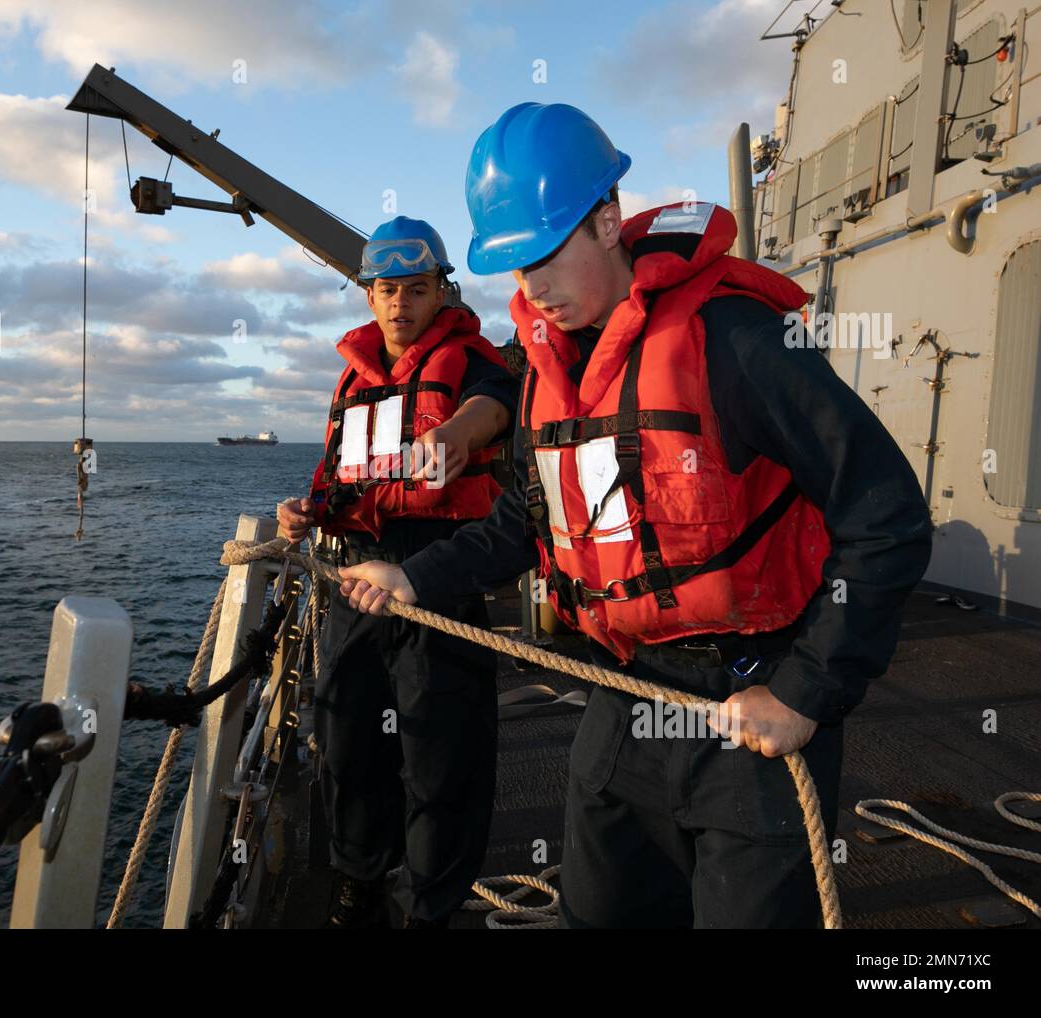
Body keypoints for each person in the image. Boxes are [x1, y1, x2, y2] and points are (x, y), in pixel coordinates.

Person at [335, 103, 933, 928]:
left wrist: (806, 689)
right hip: (622, 695)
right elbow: (528, 519)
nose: (532, 289)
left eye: (545, 256)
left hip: (751, 703)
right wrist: (410, 575)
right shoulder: (545, 372)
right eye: (513, 269)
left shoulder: (734, 340)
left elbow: (886, 512)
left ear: (609, 222)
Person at [276, 216, 518, 928]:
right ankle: (360, 879)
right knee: (349, 741)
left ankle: (435, 905)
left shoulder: (474, 362)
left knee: (443, 755)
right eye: (387, 290)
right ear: (369, 297)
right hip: (354, 580)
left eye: (417, 289)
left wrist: (450, 435)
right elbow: (335, 474)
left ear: (443, 291)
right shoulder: (352, 379)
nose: (401, 304)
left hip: (436, 577)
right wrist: (305, 512)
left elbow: (492, 410)